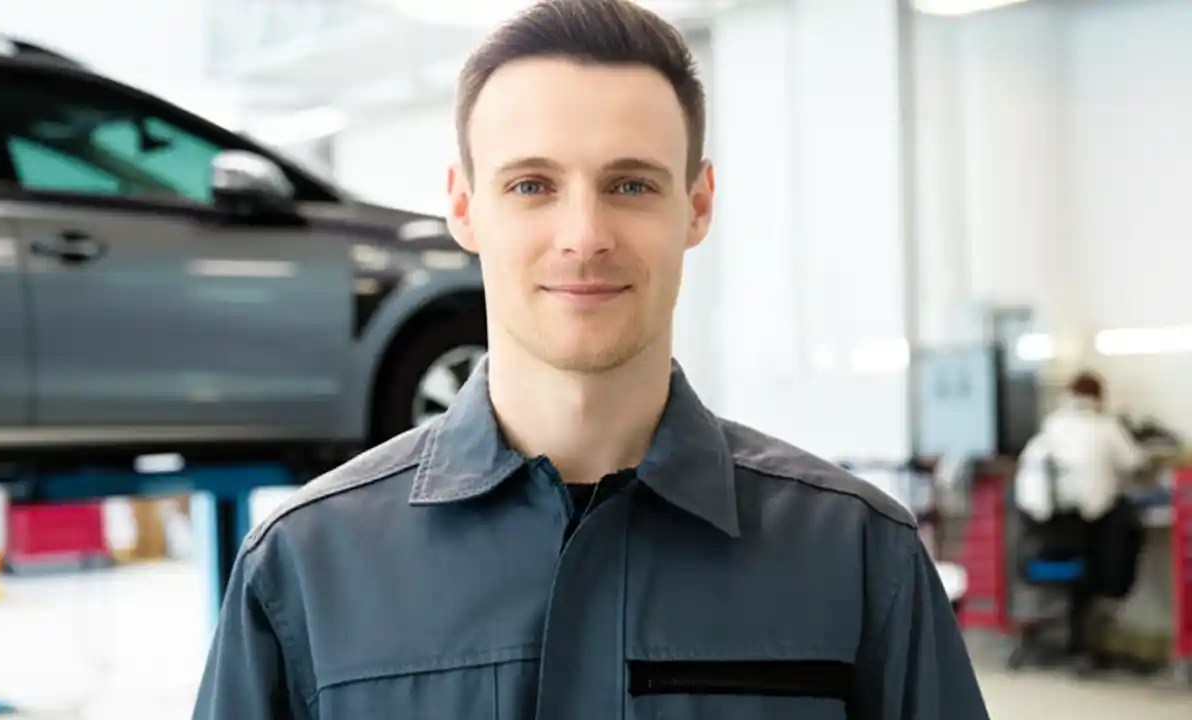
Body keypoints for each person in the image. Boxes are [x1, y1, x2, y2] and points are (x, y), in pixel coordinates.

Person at [192, 1, 989, 717]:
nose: (585, 235)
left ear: (697, 205)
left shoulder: (852, 557)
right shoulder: (305, 569)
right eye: (533, 185)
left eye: (631, 186)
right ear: (465, 207)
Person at [1015, 370, 1147, 671]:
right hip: (1087, 542)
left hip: (1042, 546)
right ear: (1099, 397)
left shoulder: (1049, 429)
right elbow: (1135, 462)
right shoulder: (1106, 427)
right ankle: (1088, 628)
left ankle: (1073, 637)